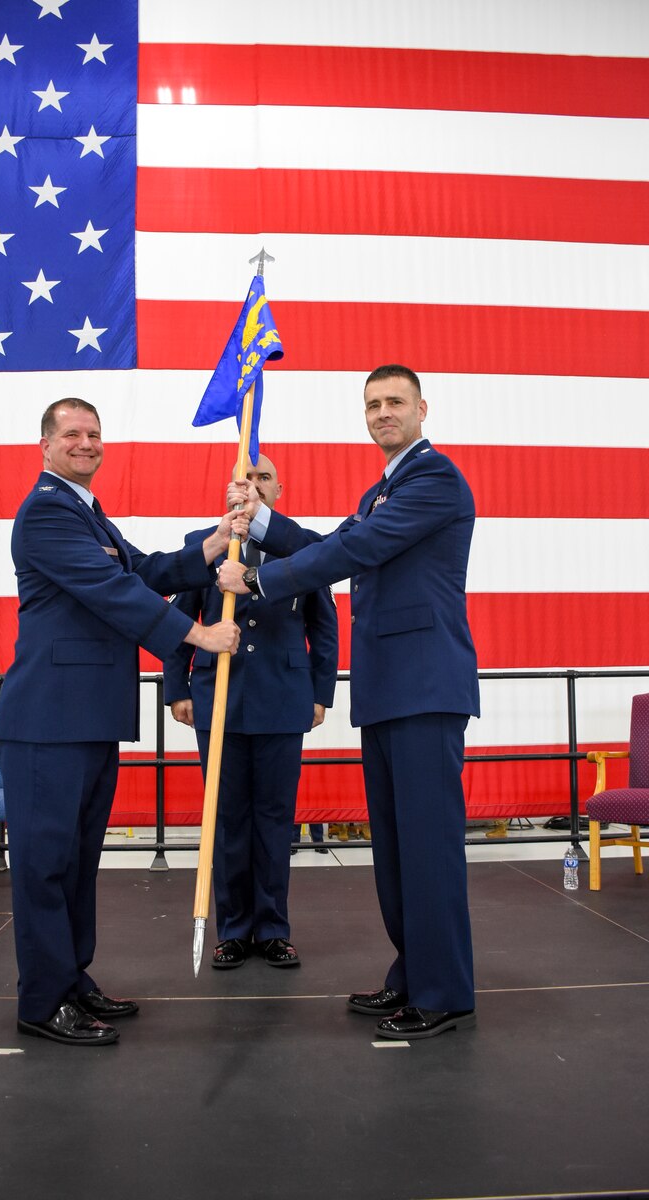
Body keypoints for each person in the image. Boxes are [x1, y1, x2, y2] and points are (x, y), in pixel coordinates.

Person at [219, 365, 480, 1040]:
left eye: (395, 401)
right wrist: (263, 520)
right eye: (373, 403)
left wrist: (255, 577)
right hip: (389, 689)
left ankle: (444, 991)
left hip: (424, 686)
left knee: (427, 849)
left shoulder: (433, 479)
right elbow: (332, 545)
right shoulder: (379, 491)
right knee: (395, 851)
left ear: (423, 408)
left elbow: (358, 548)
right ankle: (412, 974)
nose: (383, 412)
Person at [0, 397, 242, 1046]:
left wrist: (213, 542)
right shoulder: (46, 511)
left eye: (94, 434)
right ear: (44, 445)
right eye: (72, 434)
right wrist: (196, 634)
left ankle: (72, 979)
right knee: (46, 867)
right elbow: (115, 593)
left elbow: (143, 569)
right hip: (47, 721)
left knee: (77, 864)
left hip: (88, 718)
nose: (86, 443)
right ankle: (43, 1002)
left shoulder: (86, 512)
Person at [164, 453, 339, 969]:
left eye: (264, 478)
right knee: (227, 818)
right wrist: (177, 688)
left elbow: (323, 626)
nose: (255, 485)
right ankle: (235, 928)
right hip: (221, 697)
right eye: (246, 478)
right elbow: (180, 618)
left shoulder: (301, 546)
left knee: (275, 819)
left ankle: (274, 928)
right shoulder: (208, 541)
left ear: (278, 491)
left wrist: (320, 693)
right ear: (229, 492)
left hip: (283, 697)